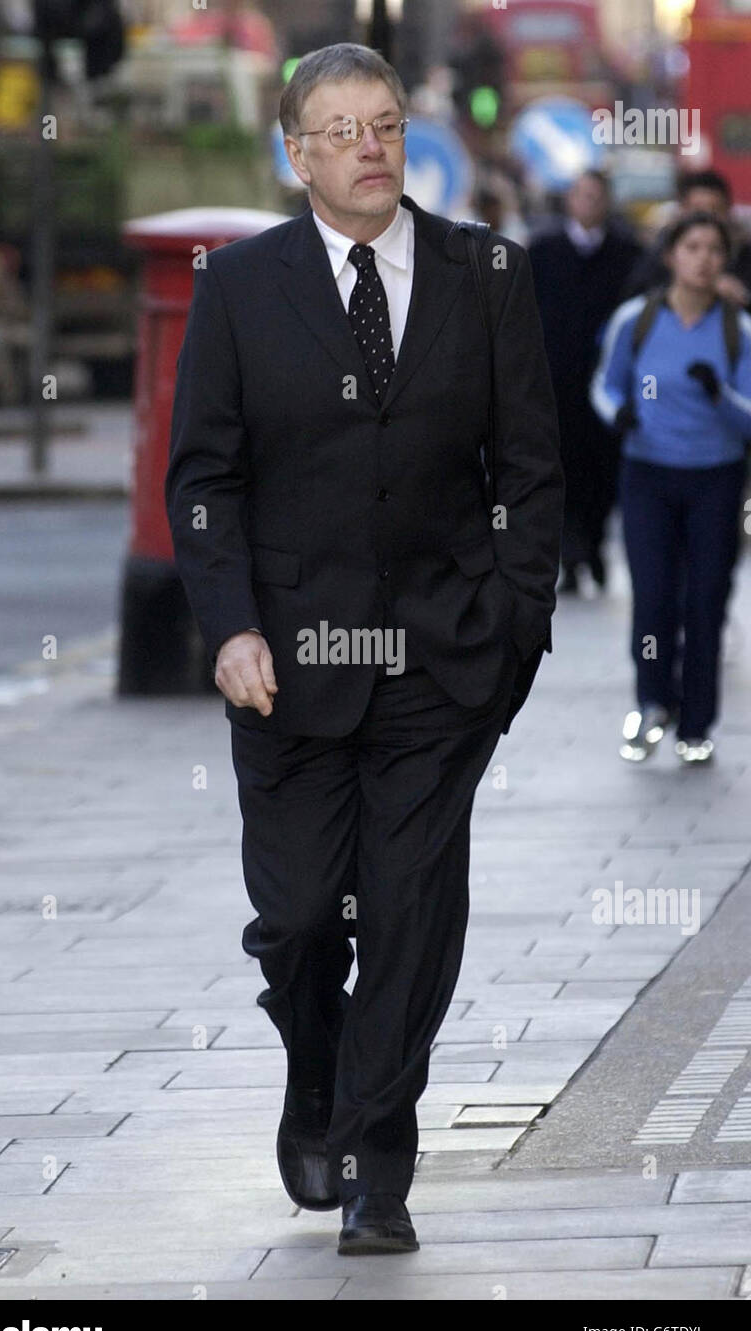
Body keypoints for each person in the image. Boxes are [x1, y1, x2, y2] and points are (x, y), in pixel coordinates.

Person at [165, 43, 563, 1255]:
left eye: (382, 122)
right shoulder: (236, 286)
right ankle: (317, 1069)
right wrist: (229, 624)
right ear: (295, 154)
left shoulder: (484, 272)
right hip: (284, 660)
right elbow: (203, 481)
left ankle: (376, 1161)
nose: (368, 146)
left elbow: (532, 470)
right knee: (295, 919)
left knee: (406, 910)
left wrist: (512, 629)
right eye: (338, 129)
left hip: (441, 660)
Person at [590, 211, 751, 764]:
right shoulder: (635, 321)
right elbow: (606, 386)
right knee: (654, 596)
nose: (704, 258)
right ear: (671, 256)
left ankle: (697, 722)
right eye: (693, 246)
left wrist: (720, 397)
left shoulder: (738, 330)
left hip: (715, 479)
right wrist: (620, 415)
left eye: (715, 249)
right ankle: (652, 703)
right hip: (649, 479)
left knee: (705, 601)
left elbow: (749, 416)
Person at [529, 170, 641, 593]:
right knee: (559, 468)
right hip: (554, 382)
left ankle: (592, 546)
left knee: (601, 468)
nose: (588, 203)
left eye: (596, 195)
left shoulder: (627, 255)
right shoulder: (543, 252)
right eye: (581, 195)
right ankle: (569, 553)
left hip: (606, 382)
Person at [622, 168, 751, 308]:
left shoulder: (744, 253)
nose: (706, 217)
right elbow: (637, 293)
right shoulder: (658, 252)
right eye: (697, 209)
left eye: (715, 210)